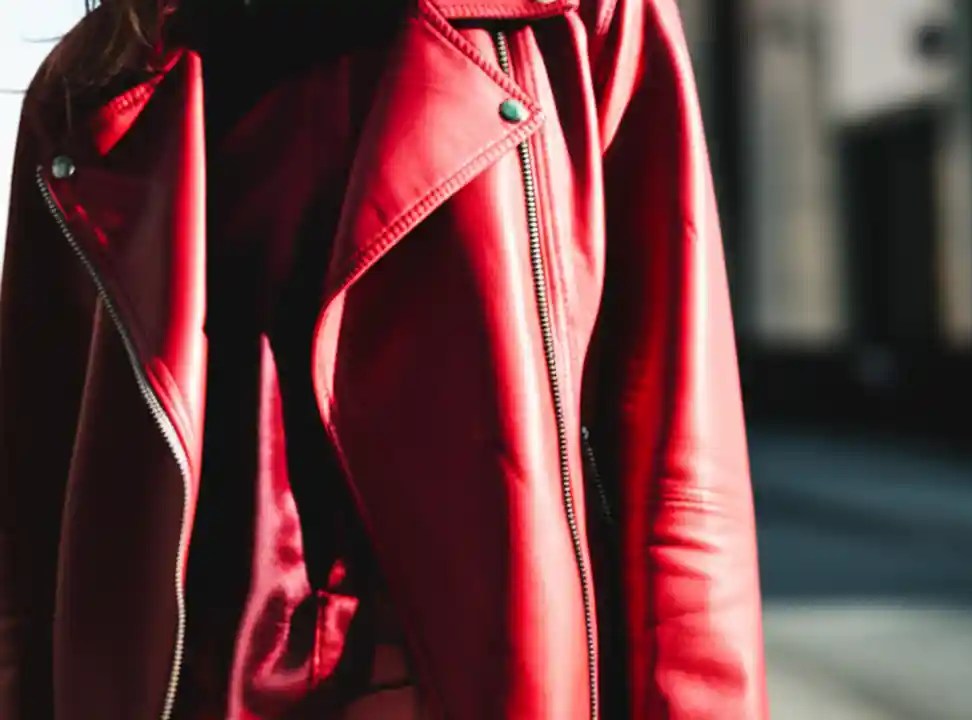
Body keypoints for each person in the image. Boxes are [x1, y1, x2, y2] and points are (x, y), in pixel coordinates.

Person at [0, 0, 766, 717]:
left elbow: (682, 457)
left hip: (468, 677)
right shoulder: (100, 78)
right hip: (188, 686)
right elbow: (33, 516)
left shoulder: (573, 19)